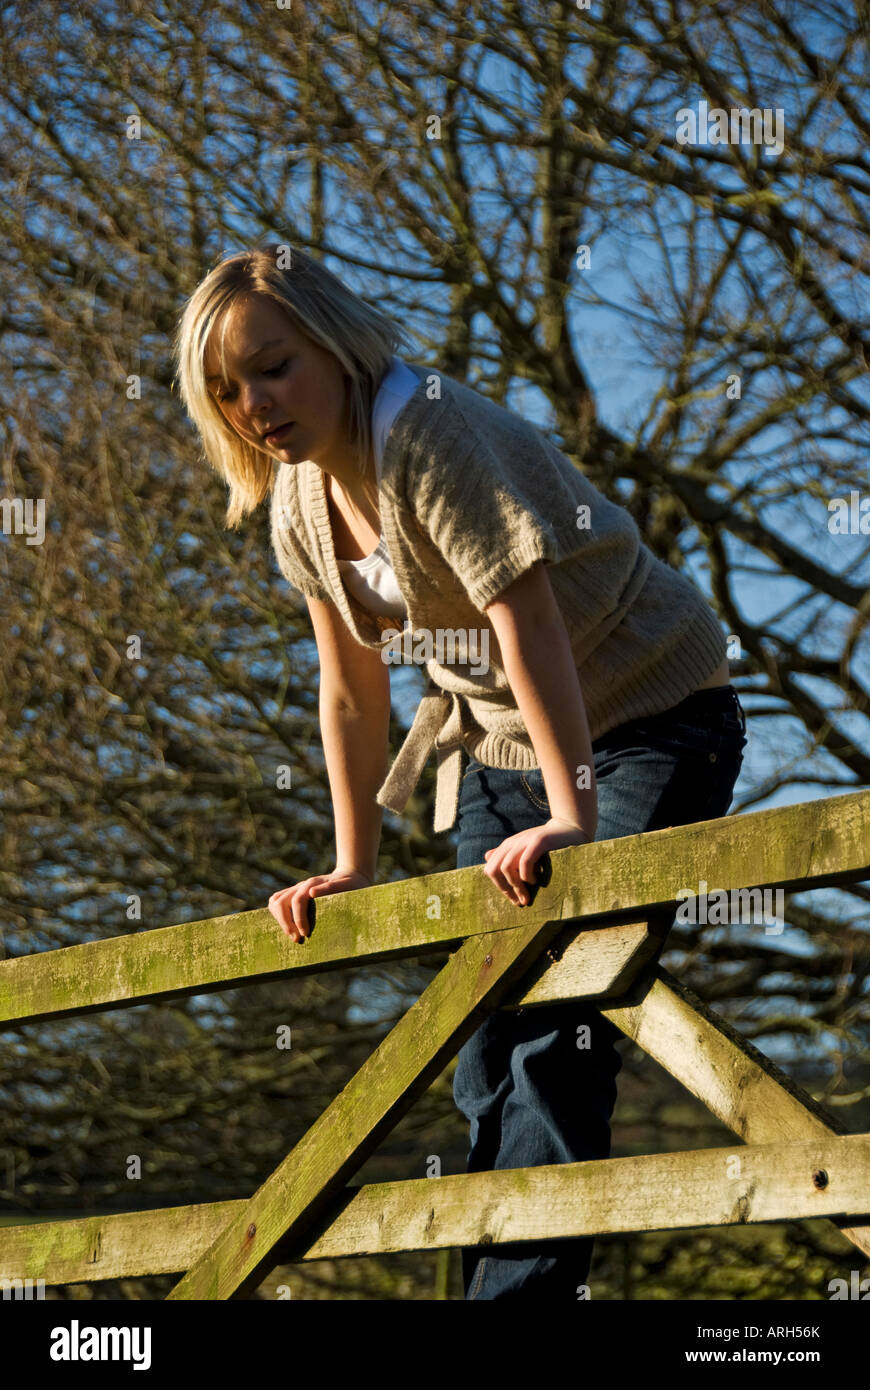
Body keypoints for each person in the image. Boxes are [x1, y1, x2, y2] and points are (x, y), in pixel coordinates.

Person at [173, 241, 748, 1300]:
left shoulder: (428, 431)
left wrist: (572, 819)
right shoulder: (300, 504)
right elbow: (350, 687)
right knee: (483, 1041)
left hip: (653, 715)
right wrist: (352, 863)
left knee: (557, 1024)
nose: (255, 403)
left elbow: (524, 623)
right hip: (496, 746)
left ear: (337, 346)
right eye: (228, 389)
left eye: (274, 365)